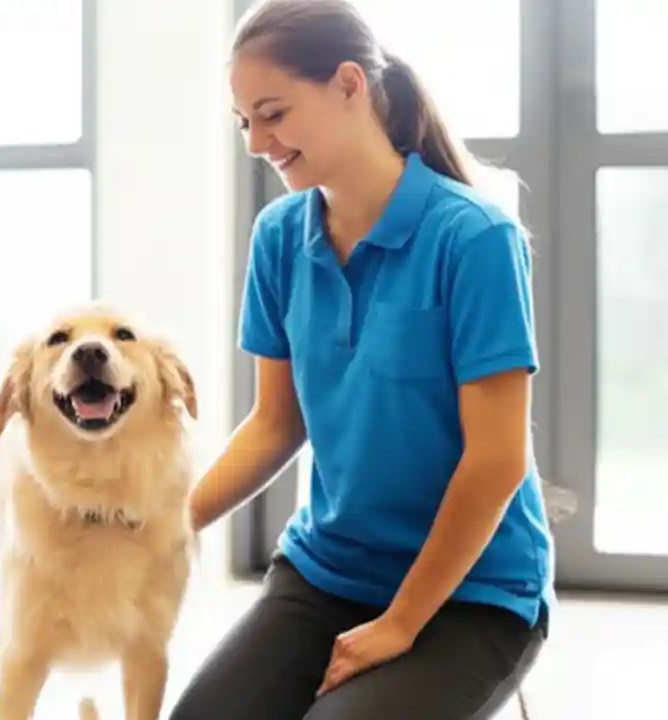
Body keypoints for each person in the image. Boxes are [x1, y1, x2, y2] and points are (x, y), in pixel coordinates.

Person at [170, 1, 553, 718]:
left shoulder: (474, 239)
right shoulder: (279, 236)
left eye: (273, 113)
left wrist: (402, 622)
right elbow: (276, 424)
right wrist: (167, 522)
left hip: (476, 590)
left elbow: (496, 461)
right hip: (330, 570)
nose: (256, 142)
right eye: (243, 121)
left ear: (349, 84)